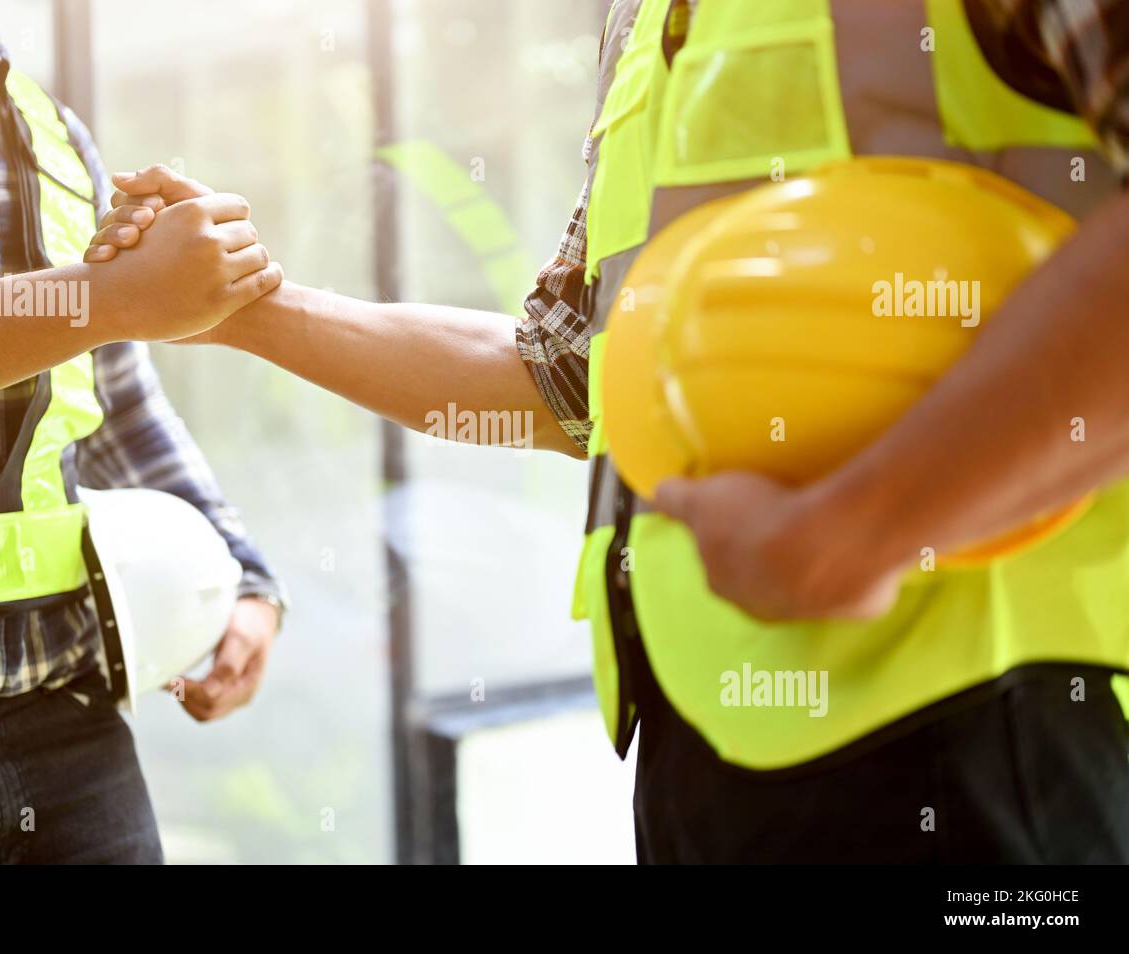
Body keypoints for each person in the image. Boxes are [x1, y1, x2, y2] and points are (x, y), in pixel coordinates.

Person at [100, 0, 1129, 863]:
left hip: (994, 733)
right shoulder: (647, 19)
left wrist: (848, 536)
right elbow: (572, 381)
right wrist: (244, 309)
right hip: (707, 750)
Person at [0, 0, 286, 864]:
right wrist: (109, 298)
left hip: (68, 725)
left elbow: (113, 396)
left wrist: (245, 575)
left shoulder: (54, 131)